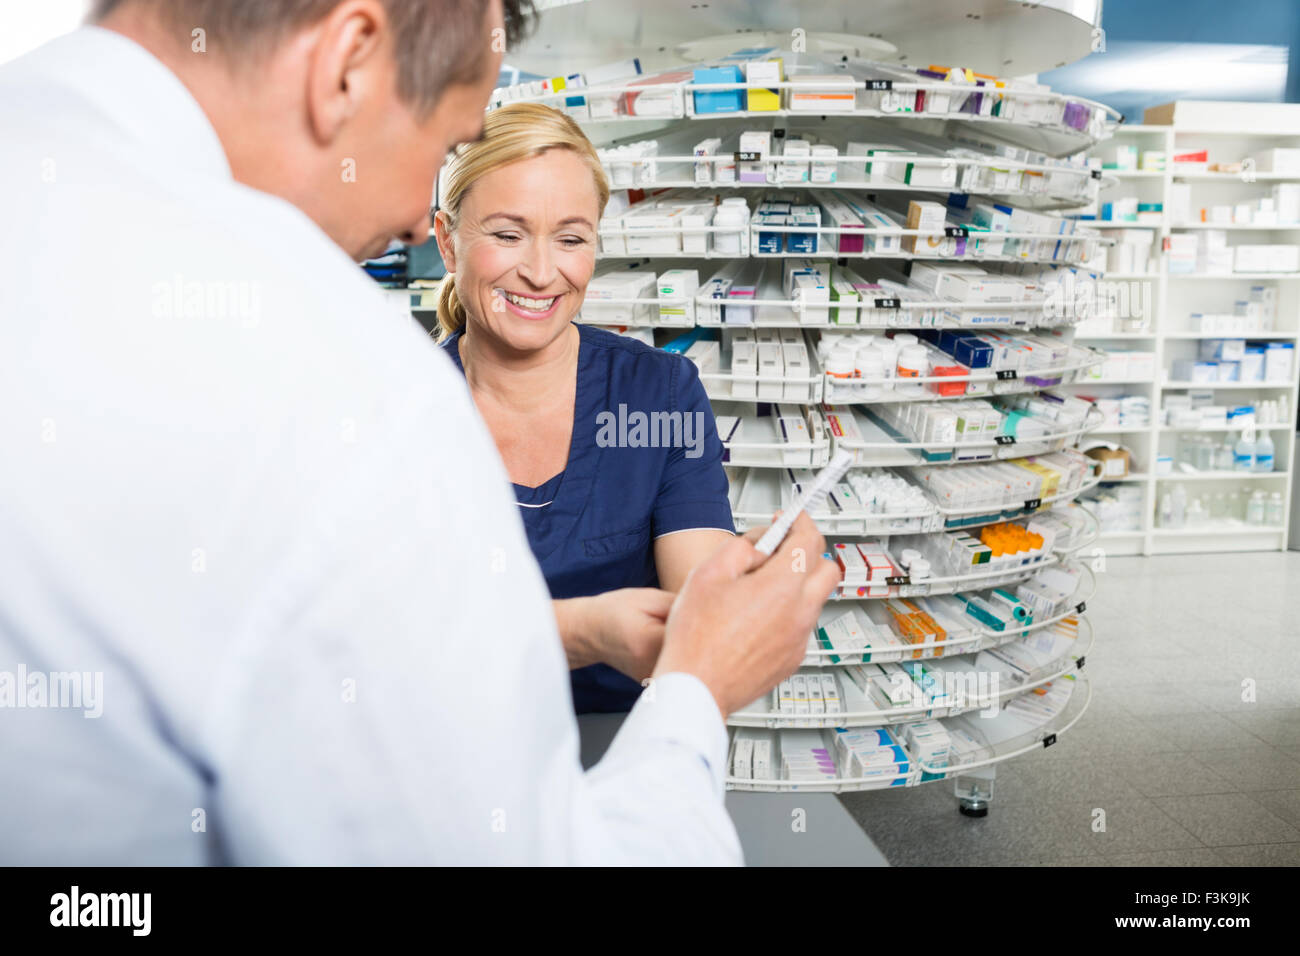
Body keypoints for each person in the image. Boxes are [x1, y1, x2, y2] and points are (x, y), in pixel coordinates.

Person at [0, 0, 839, 864]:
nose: (408, 221)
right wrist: (697, 685)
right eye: (443, 144)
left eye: (572, 237)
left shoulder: (45, 171)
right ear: (347, 60)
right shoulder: (355, 389)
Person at [433, 102, 734, 714]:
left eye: (570, 239)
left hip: (616, 754)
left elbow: (700, 627)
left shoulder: (658, 396)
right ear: (447, 241)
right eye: (507, 234)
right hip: (439, 747)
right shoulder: (393, 407)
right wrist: (581, 632)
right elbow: (376, 638)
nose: (542, 273)